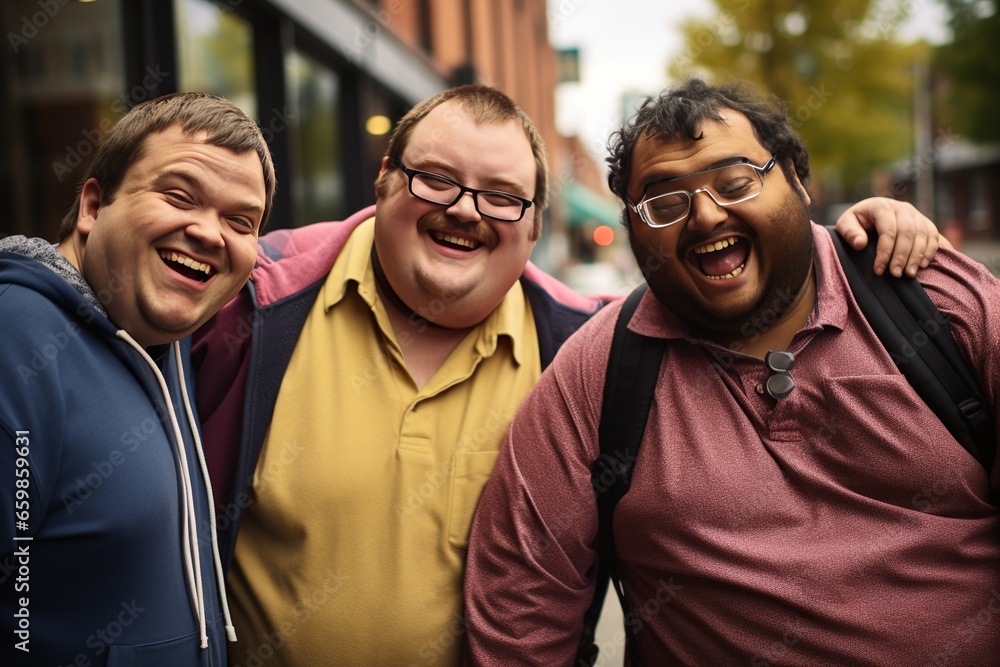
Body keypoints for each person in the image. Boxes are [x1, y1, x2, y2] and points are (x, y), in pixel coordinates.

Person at [192, 84, 942, 667]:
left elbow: (742, 288)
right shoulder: (246, 304)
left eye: (501, 196)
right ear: (385, 178)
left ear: (535, 223)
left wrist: (857, 239)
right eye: (435, 180)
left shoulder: (590, 351)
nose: (465, 211)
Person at [463, 77, 1000, 666]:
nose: (705, 215)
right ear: (633, 229)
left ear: (796, 178)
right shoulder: (598, 370)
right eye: (665, 202)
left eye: (736, 182)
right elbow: (520, 602)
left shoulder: (938, 302)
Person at [0, 92, 275, 666]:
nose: (210, 233)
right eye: (179, 196)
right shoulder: (16, 342)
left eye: (240, 221)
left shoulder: (161, 335)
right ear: (93, 206)